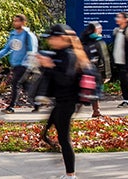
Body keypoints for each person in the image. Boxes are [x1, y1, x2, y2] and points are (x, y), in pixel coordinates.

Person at [36, 24, 91, 178]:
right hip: (60, 101)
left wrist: (50, 65)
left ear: (61, 38)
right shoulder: (60, 53)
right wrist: (45, 64)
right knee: (52, 132)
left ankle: (71, 175)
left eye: (52, 38)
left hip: (68, 102)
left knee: (64, 139)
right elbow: (52, 77)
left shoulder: (69, 54)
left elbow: (65, 80)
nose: (50, 41)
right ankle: (68, 169)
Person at [0, 14, 39, 114]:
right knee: (26, 86)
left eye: (17, 21)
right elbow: (8, 48)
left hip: (24, 65)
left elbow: (31, 50)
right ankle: (37, 104)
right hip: (15, 64)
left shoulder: (27, 35)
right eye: (14, 21)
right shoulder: (13, 34)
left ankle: (11, 107)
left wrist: (29, 64)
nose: (15, 23)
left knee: (15, 84)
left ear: (23, 22)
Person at [81, 22, 107, 118]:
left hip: (85, 69)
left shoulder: (83, 40)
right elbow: (105, 59)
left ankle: (95, 110)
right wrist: (107, 74)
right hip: (96, 70)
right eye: (100, 28)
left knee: (87, 90)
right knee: (95, 90)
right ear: (96, 30)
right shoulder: (99, 41)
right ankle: (96, 110)